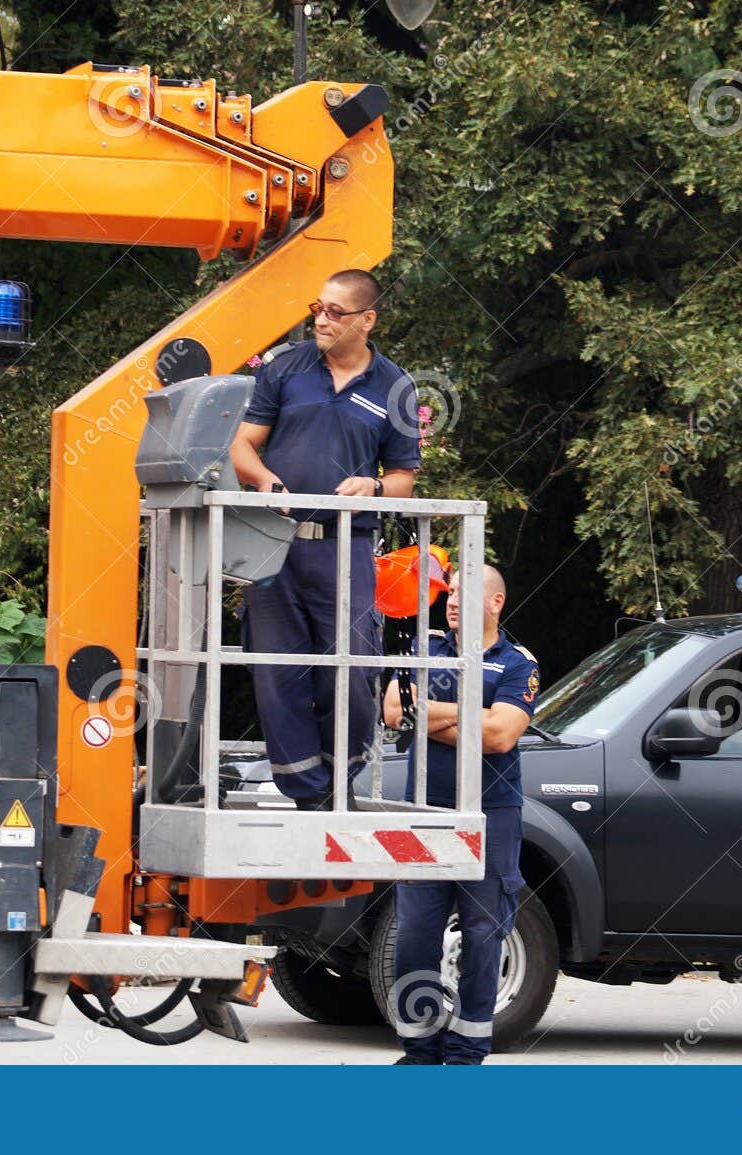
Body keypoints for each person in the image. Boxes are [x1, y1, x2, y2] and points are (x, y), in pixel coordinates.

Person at [229, 269, 420, 809]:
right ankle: (309, 795)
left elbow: (403, 482)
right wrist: (263, 479)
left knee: (354, 671)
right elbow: (242, 446)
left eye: (336, 312)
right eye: (318, 306)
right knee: (276, 674)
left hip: (347, 547)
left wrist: (375, 484)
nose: (321, 319)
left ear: (366, 320)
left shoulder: (395, 386)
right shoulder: (285, 366)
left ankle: (340, 780)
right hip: (275, 544)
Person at [382, 564, 538, 1064]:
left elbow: (501, 737)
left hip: (492, 814)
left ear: (495, 603)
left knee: (482, 935)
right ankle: (420, 1048)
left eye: (465, 595)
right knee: (414, 937)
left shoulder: (516, 663)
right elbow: (393, 712)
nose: (451, 602)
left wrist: (430, 715)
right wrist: (475, 714)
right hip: (423, 812)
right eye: (449, 594)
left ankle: (467, 1051)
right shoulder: (422, 650)